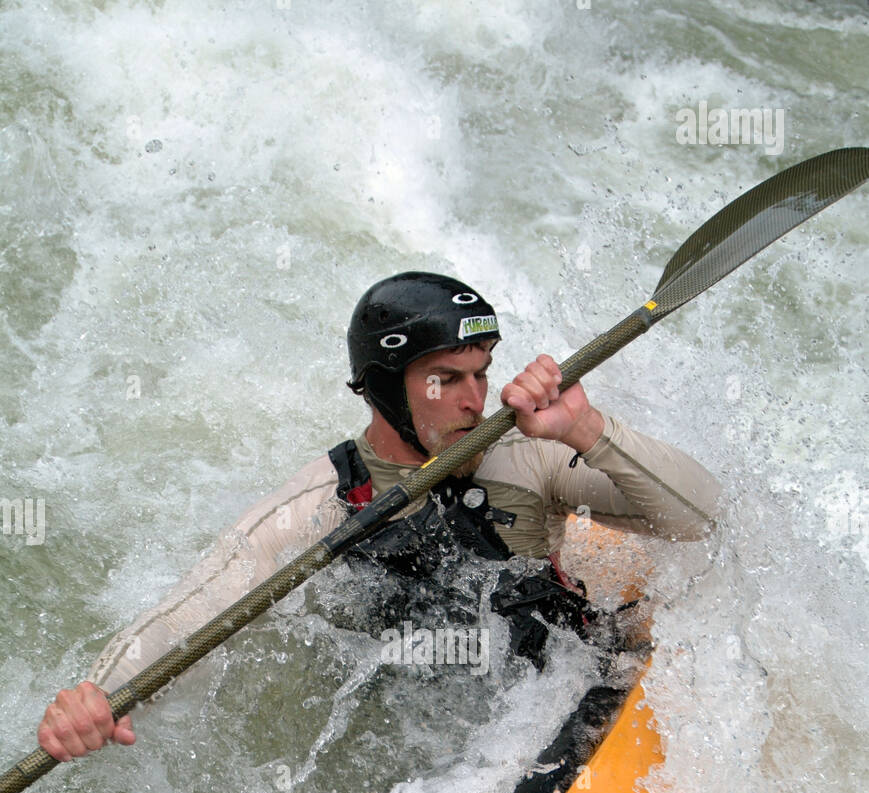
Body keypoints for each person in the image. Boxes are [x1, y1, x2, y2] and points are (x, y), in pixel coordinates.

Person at [36, 271, 720, 763]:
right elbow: (194, 610)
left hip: (571, 681)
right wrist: (100, 694)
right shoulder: (319, 507)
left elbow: (701, 518)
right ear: (386, 388)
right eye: (445, 379)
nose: (472, 400)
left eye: (479, 373)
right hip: (445, 738)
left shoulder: (528, 458)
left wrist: (584, 428)